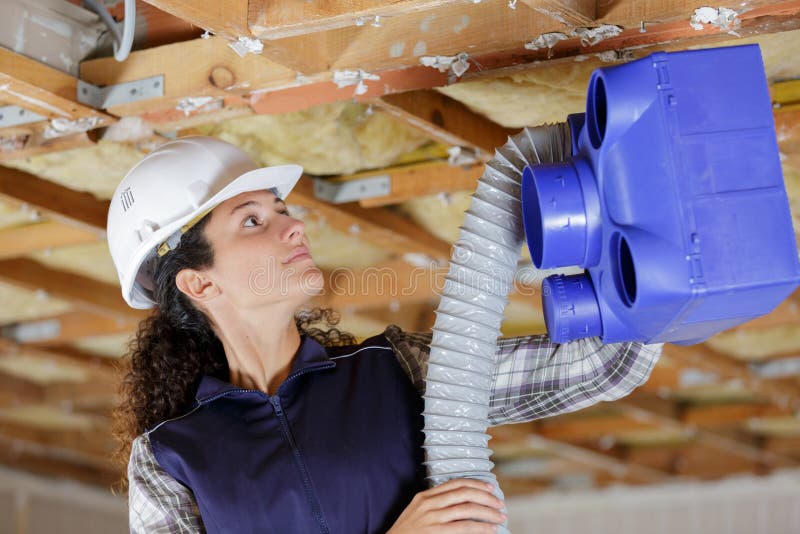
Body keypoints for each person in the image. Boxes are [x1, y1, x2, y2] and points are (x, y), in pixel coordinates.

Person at [106, 137, 663, 533]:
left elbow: (605, 363)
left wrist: (653, 238)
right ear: (198, 282)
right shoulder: (169, 459)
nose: (293, 224)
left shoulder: (392, 370)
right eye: (252, 220)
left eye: (281, 209)